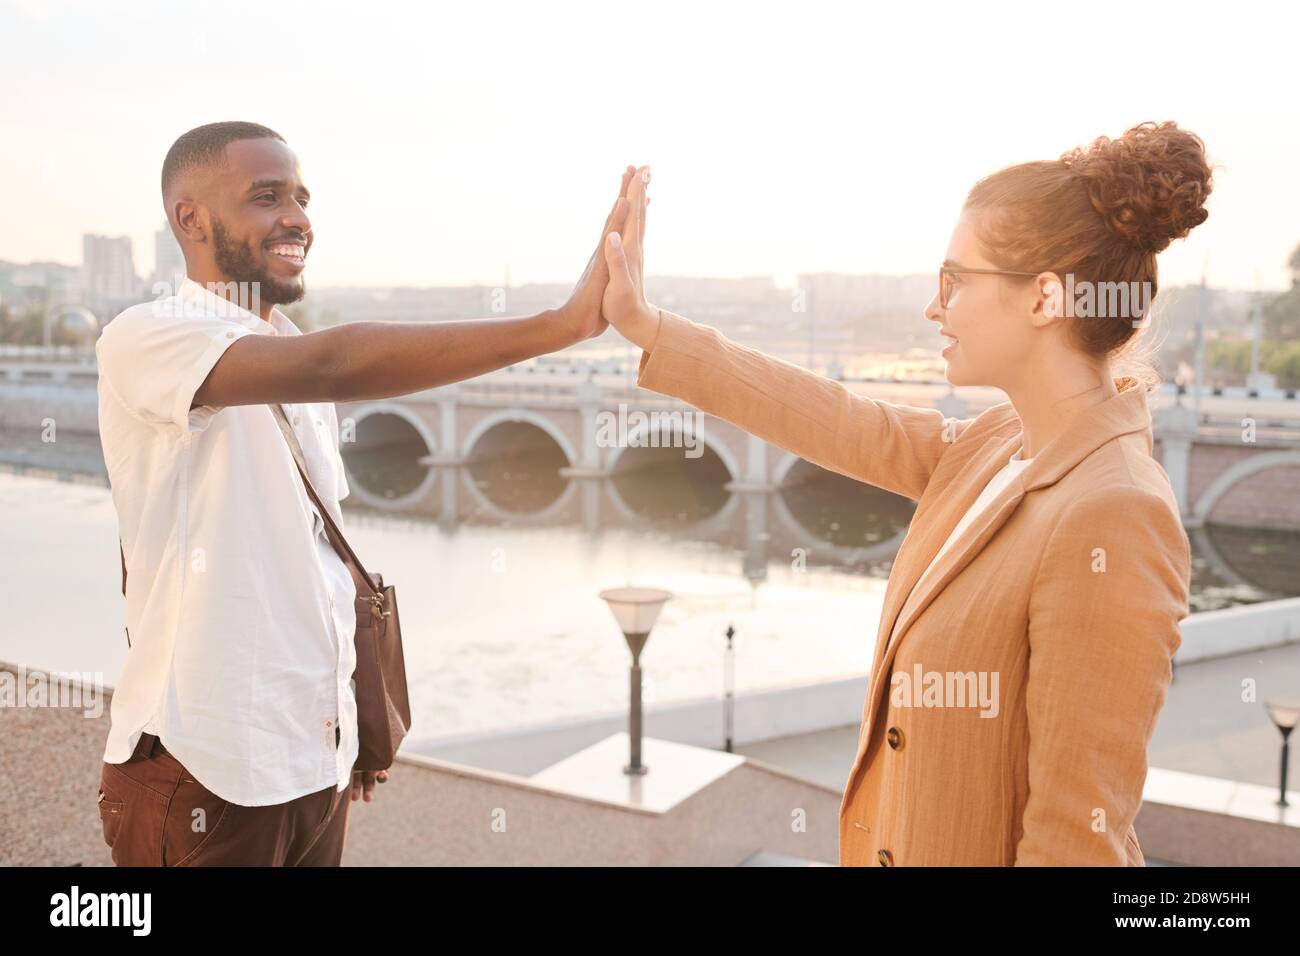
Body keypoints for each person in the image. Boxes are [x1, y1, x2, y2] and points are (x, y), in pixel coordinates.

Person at [601, 121, 1212, 865]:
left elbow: (1073, 840)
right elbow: (838, 421)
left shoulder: (1114, 511)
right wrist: (645, 324)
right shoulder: (998, 446)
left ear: (1046, 297)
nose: (934, 308)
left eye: (956, 281)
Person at [95, 121, 634, 865]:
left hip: (313, 766)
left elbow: (317, 556)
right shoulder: (149, 334)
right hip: (205, 771)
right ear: (190, 218)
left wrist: (349, 721)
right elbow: (333, 364)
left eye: (302, 197)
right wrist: (562, 325)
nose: (297, 217)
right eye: (266, 196)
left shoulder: (289, 348)